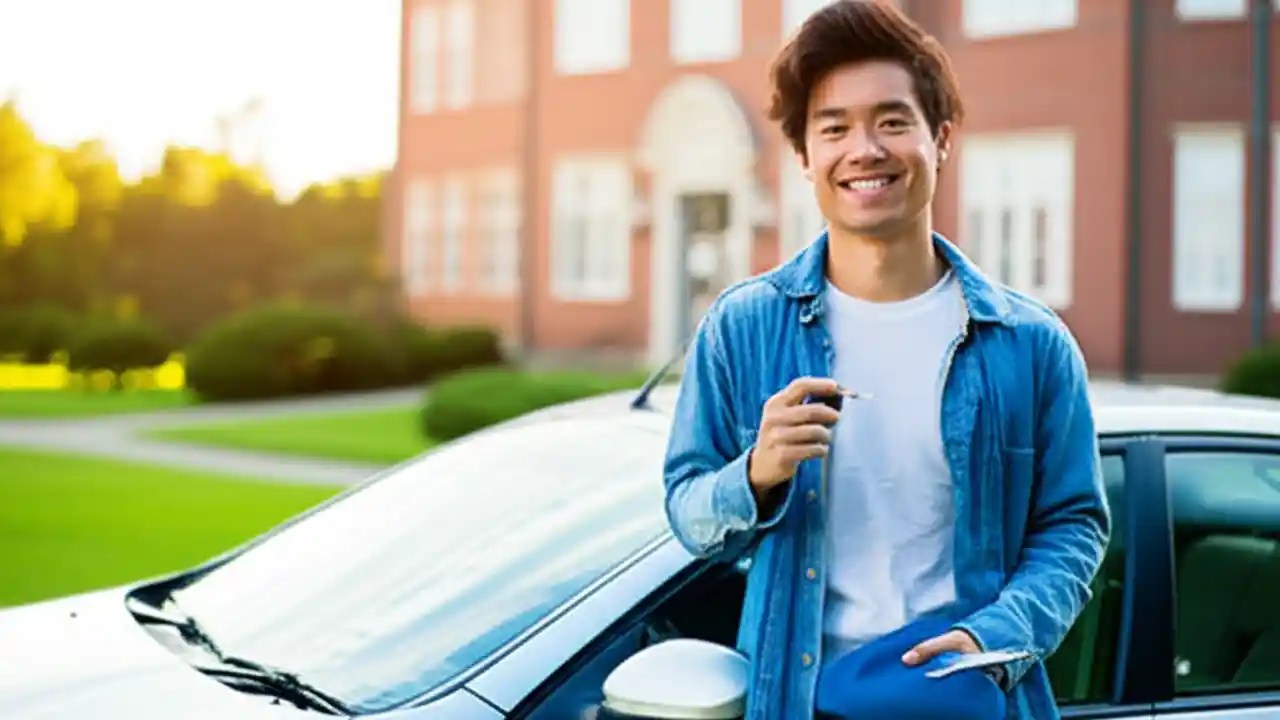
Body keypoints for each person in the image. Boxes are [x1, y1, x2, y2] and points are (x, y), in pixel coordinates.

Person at [660, 1, 1110, 718]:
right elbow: (687, 510)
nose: (864, 149)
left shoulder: (1030, 344)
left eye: (892, 121)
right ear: (805, 157)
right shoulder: (743, 329)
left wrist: (994, 638)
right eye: (834, 128)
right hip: (802, 702)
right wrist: (757, 473)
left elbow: (1074, 524)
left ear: (942, 140)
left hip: (965, 704)